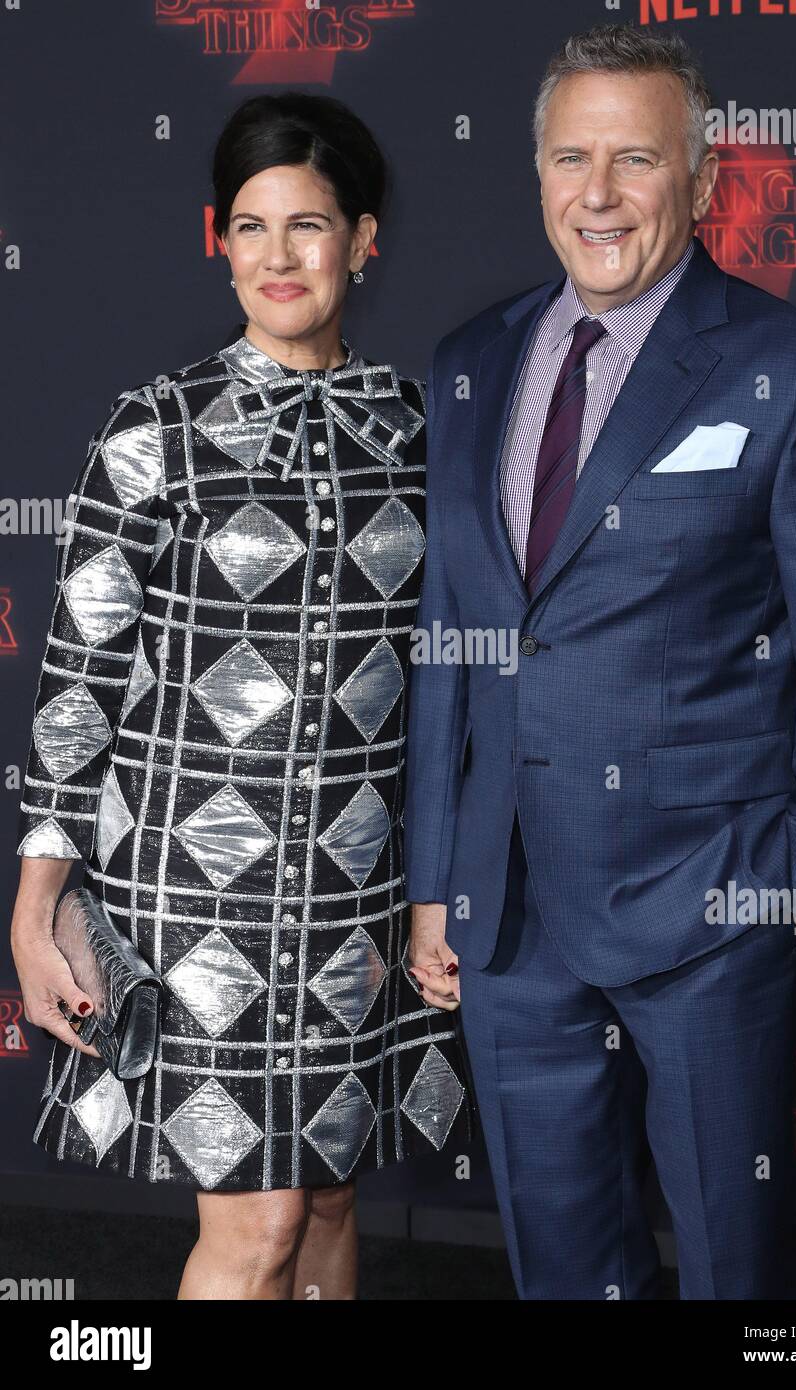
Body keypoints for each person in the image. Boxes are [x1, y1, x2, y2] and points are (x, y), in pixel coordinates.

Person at [403, 24, 796, 1299]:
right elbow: (452, 648)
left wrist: (791, 878)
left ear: (700, 182)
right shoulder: (470, 365)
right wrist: (436, 873)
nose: (597, 193)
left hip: (708, 910)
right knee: (561, 1264)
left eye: (635, 160)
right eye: (571, 157)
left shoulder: (795, 377)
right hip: (507, 923)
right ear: (534, 173)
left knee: (734, 1265)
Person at [11, 91, 472, 1301]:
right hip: (193, 891)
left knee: (325, 1196)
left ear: (363, 242)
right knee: (260, 1221)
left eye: (310, 225)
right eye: (252, 227)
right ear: (219, 238)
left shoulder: (418, 434)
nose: (279, 258)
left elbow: (447, 678)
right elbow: (77, 684)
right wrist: (36, 907)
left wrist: (434, 892)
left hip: (355, 885)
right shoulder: (152, 431)